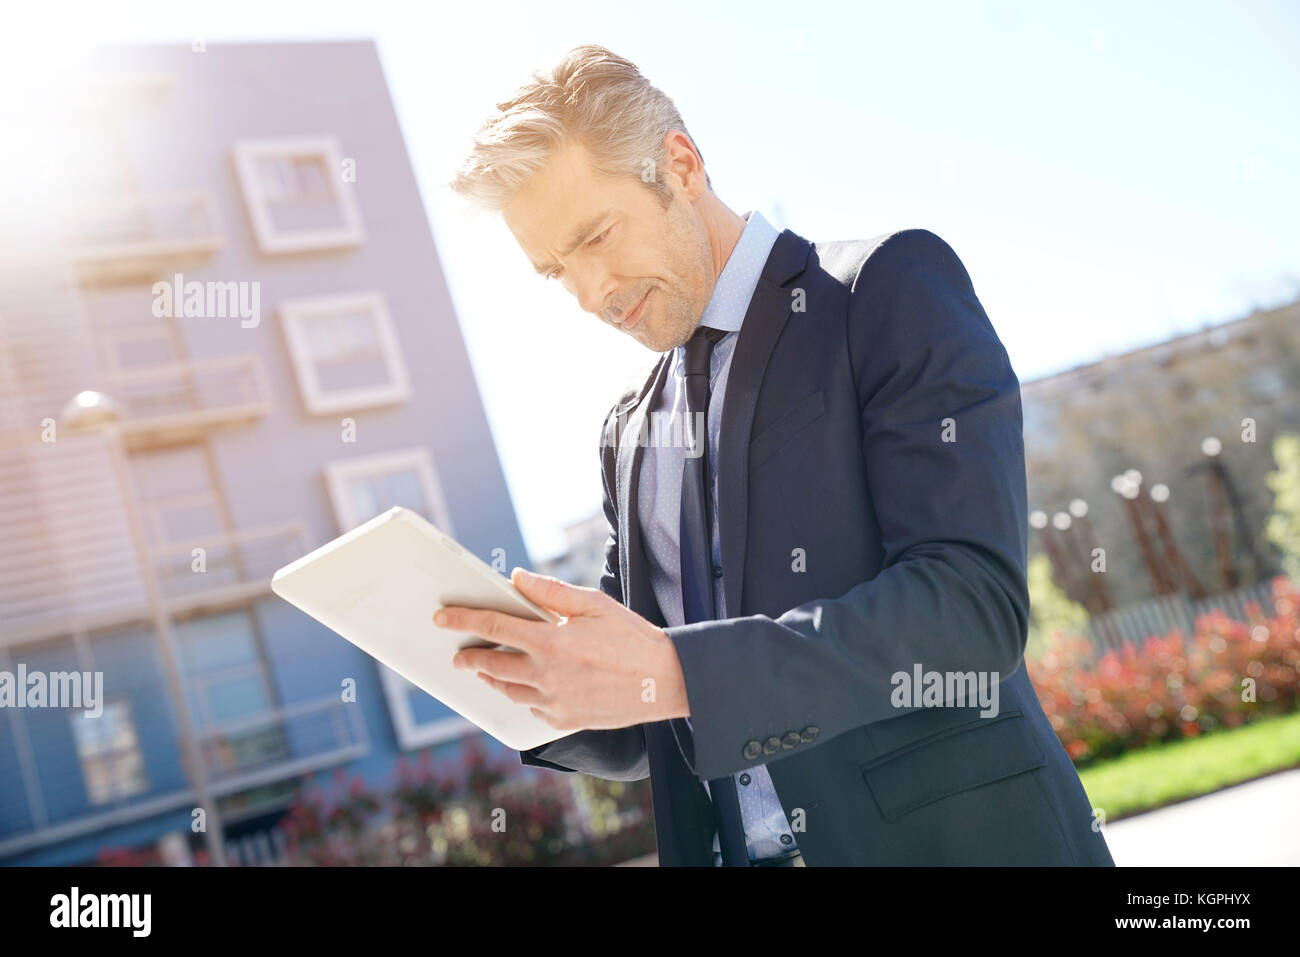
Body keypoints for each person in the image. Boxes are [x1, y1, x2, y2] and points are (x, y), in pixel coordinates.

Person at [438, 44, 1114, 867]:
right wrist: (524, 678)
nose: (590, 292)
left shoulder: (880, 290)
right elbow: (644, 705)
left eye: (596, 236)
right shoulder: (628, 429)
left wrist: (678, 671)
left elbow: (971, 606)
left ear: (679, 165)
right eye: (555, 272)